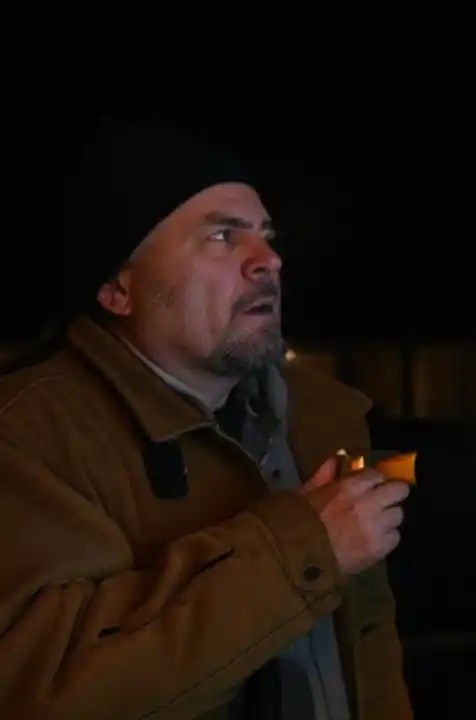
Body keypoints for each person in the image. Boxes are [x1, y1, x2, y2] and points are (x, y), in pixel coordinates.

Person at [0, 117, 413, 719]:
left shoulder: (323, 420)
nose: (268, 260)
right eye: (223, 237)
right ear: (120, 289)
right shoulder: (29, 439)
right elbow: (53, 694)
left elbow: (368, 655)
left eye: (266, 236)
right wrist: (306, 545)